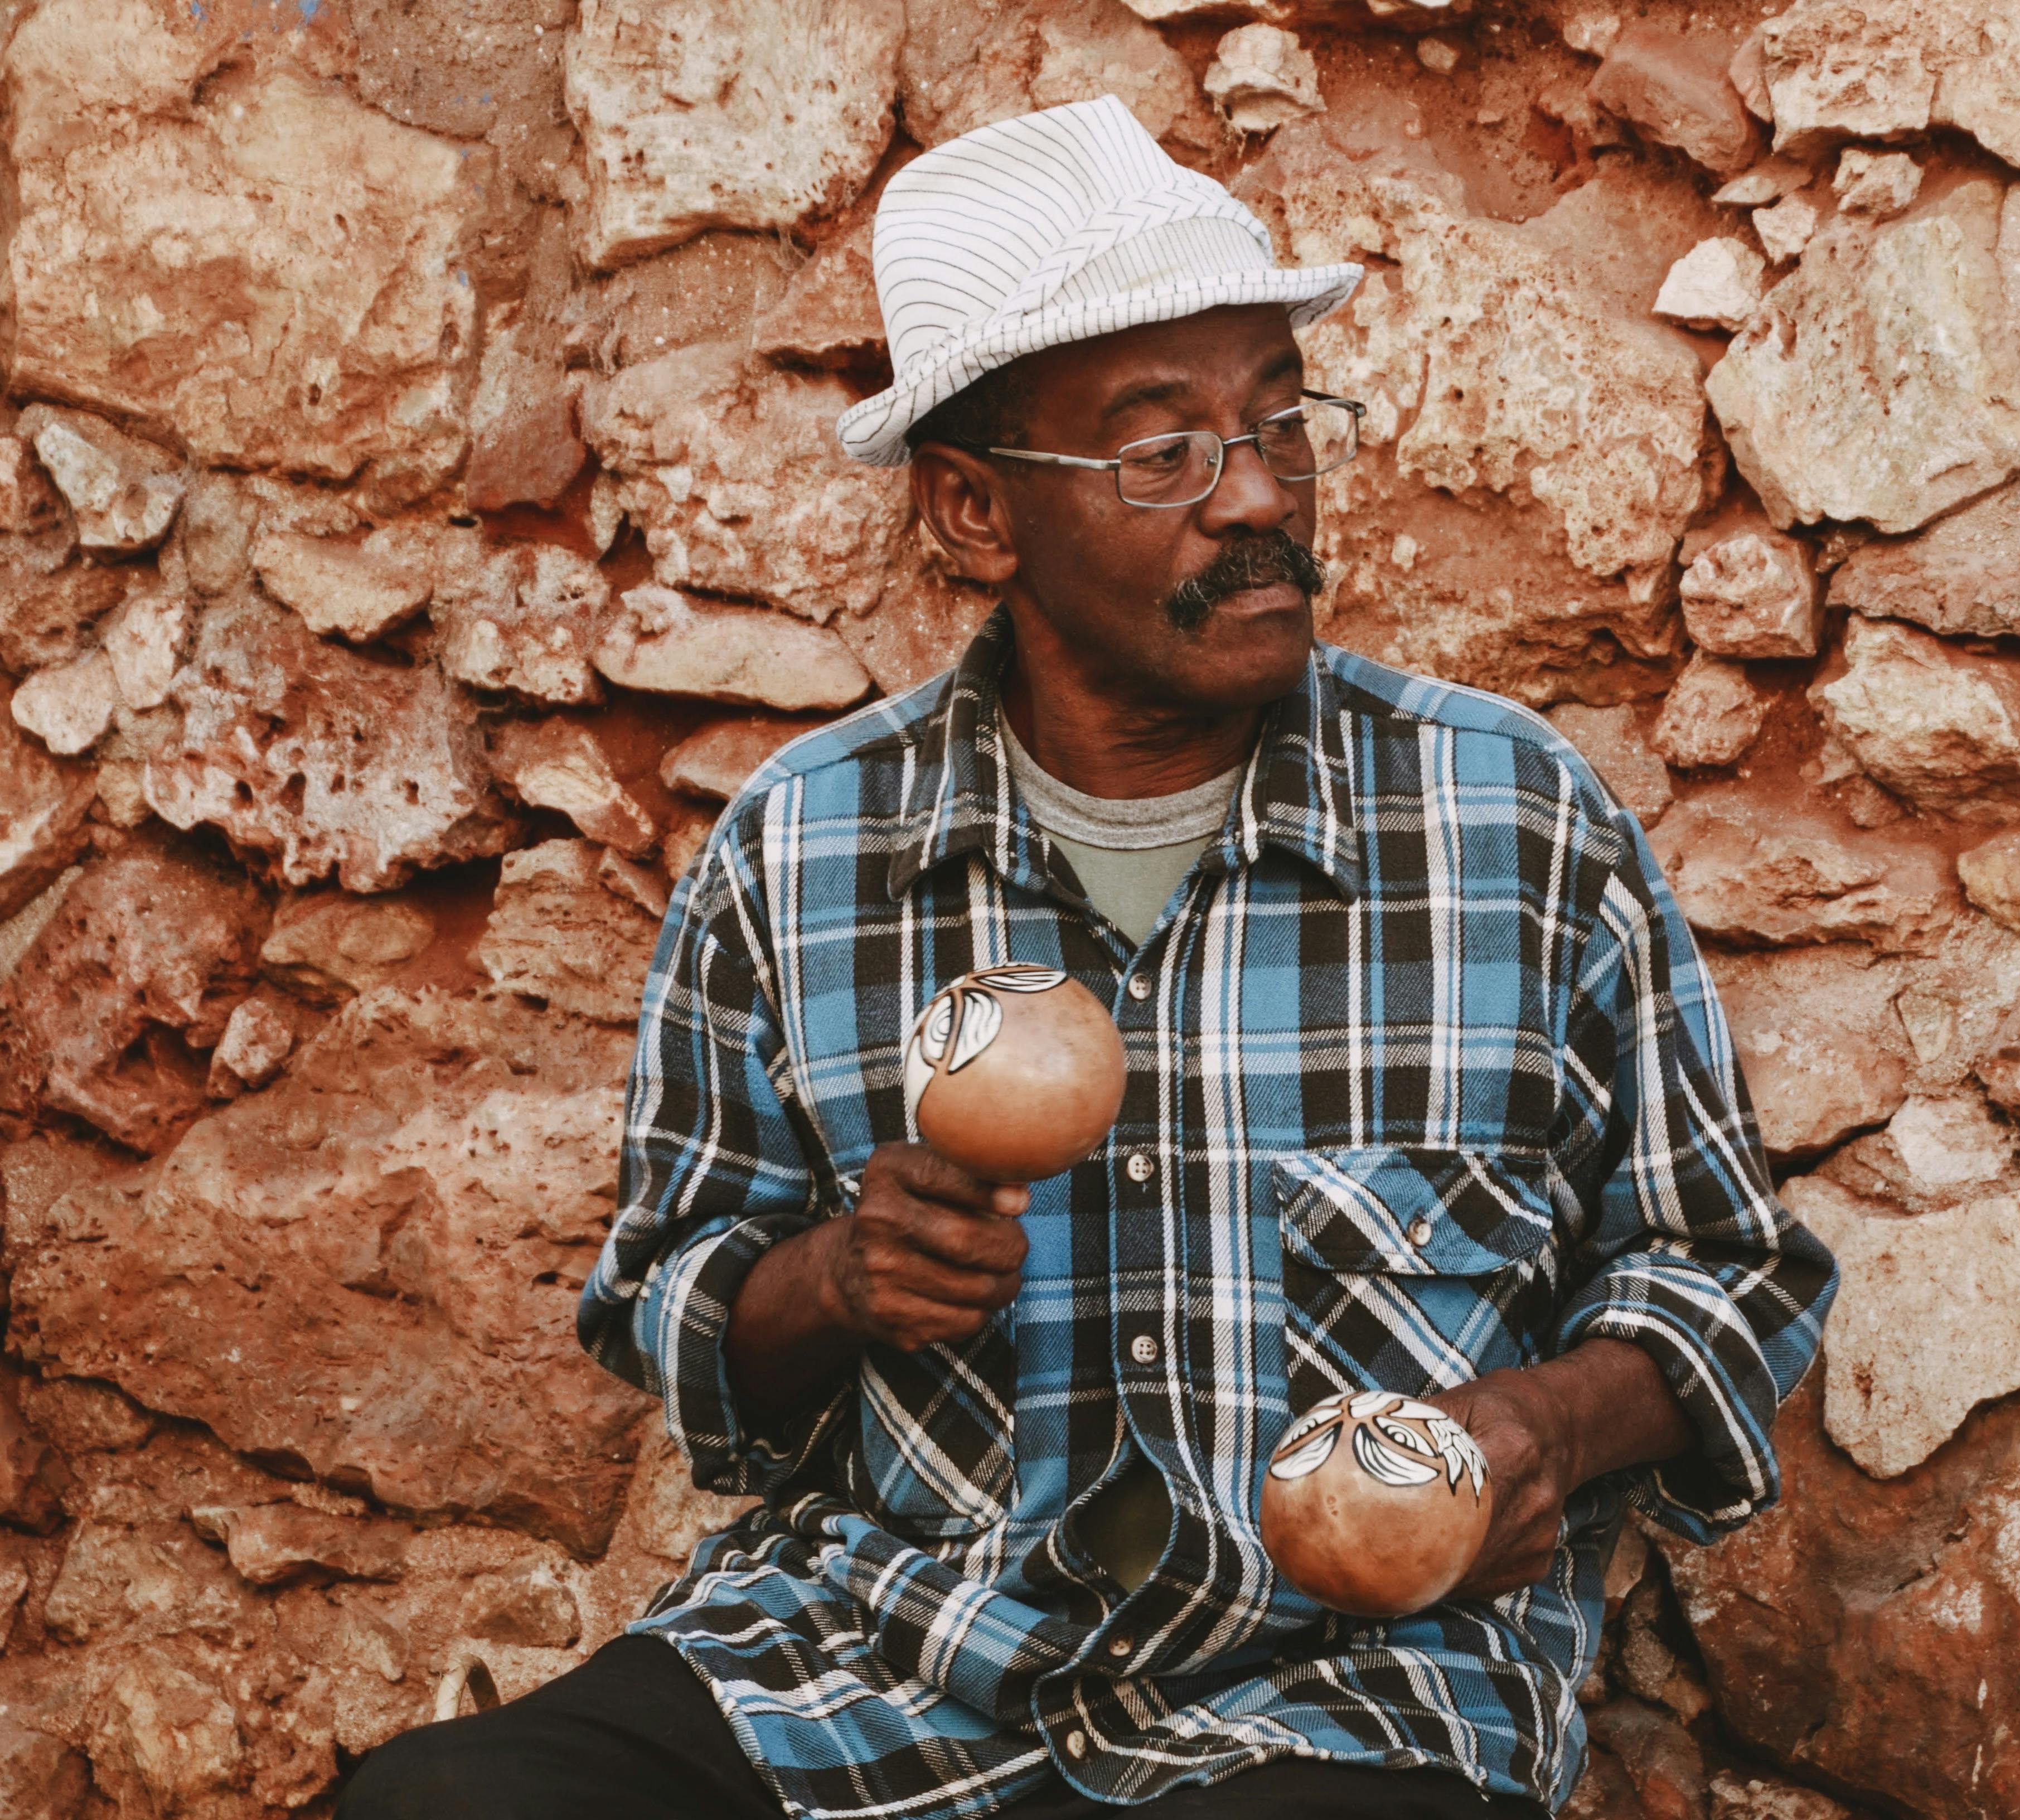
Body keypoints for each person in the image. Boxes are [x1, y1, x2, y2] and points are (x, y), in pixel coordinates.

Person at [342, 96, 1835, 1820]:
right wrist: (835, 1283)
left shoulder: (1512, 823)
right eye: (1165, 453)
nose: (1260, 495)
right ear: (977, 514)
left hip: (1335, 1701)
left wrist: (1547, 1433)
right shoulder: (804, 846)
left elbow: (1726, 1273)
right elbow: (676, 1306)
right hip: (874, 1655)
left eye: (1285, 422)